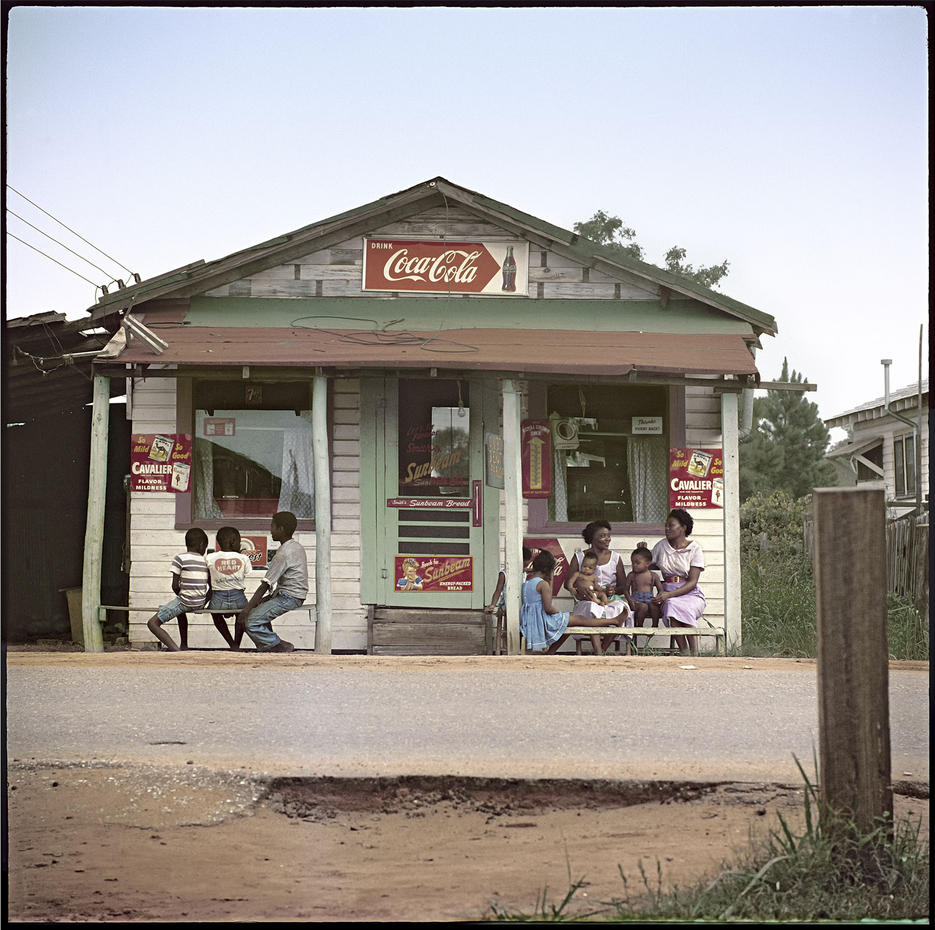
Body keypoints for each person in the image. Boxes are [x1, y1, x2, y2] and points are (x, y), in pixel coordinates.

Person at [523, 550, 623, 655]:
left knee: (568, 623)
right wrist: (558, 612)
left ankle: (551, 651)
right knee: (581, 619)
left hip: (531, 619)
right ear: (547, 570)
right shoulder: (543, 584)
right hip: (543, 620)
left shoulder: (527, 583)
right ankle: (614, 621)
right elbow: (548, 608)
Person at [235, 511, 307, 653]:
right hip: (291, 594)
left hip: (289, 597)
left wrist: (246, 610)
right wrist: (264, 600)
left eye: (273, 526)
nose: (270, 530)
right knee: (258, 612)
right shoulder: (297, 546)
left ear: (281, 529)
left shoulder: (283, 554)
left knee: (250, 621)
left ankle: (279, 645)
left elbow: (265, 584)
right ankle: (268, 647)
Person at [640, 508, 706, 656]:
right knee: (671, 607)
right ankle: (684, 652)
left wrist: (668, 595)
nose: (667, 528)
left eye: (671, 525)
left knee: (683, 607)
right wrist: (643, 552)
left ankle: (695, 653)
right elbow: (645, 566)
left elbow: (692, 582)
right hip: (668, 591)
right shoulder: (661, 546)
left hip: (690, 593)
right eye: (666, 525)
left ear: (683, 528)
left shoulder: (694, 549)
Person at [564, 521, 631, 652]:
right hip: (586, 599)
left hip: (608, 599)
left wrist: (613, 590)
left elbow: (623, 586)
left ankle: (602, 651)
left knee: (622, 608)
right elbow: (567, 584)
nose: (608, 539)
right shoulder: (580, 557)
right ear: (592, 538)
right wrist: (579, 591)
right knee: (591, 608)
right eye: (603, 536)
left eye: (609, 535)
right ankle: (599, 651)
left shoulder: (615, 558)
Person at [146, 527, 210, 652]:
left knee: (152, 623)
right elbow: (210, 587)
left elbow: (175, 585)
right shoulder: (206, 561)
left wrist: (182, 597)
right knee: (180, 612)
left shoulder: (180, 558)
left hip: (185, 601)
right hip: (200, 603)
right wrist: (202, 601)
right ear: (202, 545)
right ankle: (184, 645)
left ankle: (175, 650)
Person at [205, 526, 251, 650]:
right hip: (238, 598)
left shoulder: (209, 557)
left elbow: (209, 579)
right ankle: (237, 643)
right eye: (239, 541)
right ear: (233, 541)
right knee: (241, 616)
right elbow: (245, 574)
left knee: (215, 614)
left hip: (218, 599)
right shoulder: (244, 558)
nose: (240, 544)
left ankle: (231, 643)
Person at [624, 546, 662, 649]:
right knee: (644, 607)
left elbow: (661, 590)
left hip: (649, 598)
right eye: (632, 563)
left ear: (648, 563)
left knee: (654, 606)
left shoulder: (653, 575)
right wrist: (630, 600)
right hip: (636, 600)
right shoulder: (632, 575)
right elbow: (625, 590)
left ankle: (654, 626)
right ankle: (639, 626)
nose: (634, 565)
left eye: (637, 563)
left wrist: (658, 598)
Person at [484, 546, 534, 614]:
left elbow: (530, 570)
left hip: (522, 604)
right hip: (508, 605)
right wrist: (493, 605)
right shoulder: (504, 574)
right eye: (524, 564)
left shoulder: (523, 572)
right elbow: (498, 591)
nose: (525, 567)